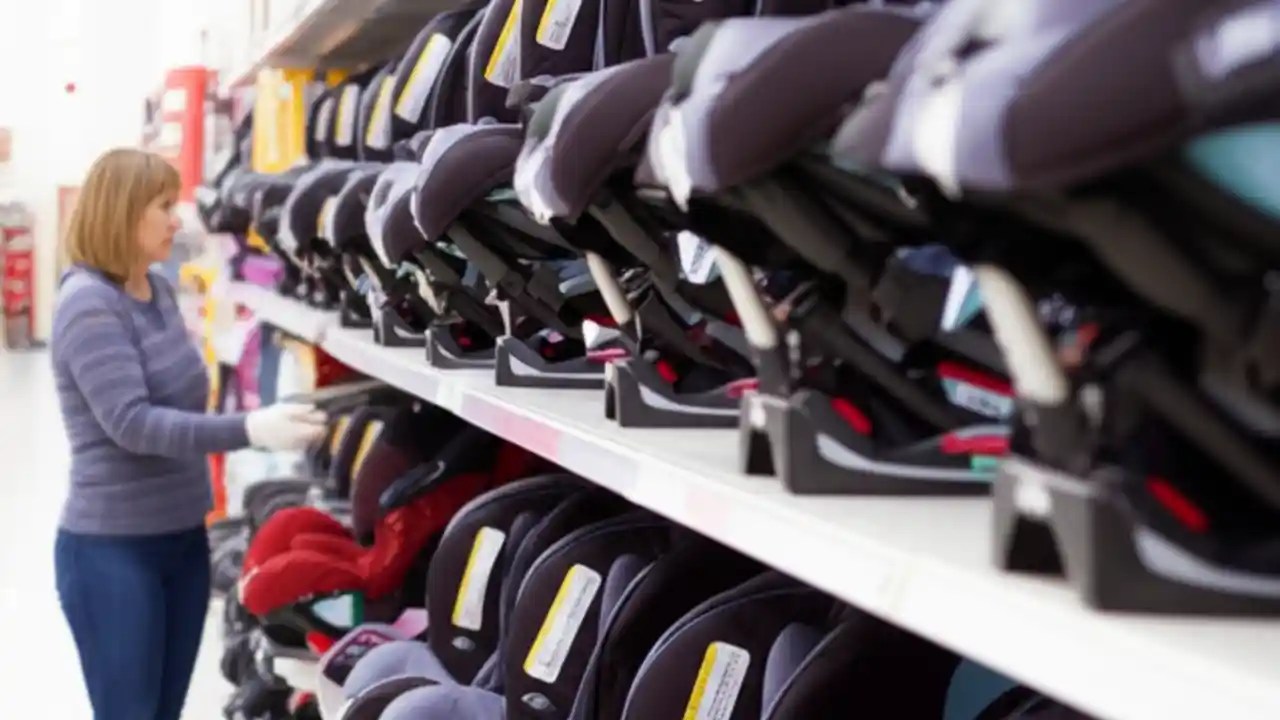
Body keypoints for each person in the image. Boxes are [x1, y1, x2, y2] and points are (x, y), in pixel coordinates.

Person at [50, 148, 328, 720]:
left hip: (181, 541)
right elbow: (133, 423)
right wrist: (251, 428)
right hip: (114, 553)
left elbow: (181, 399)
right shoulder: (88, 306)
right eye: (162, 206)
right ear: (122, 214)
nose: (177, 219)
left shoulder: (155, 290)